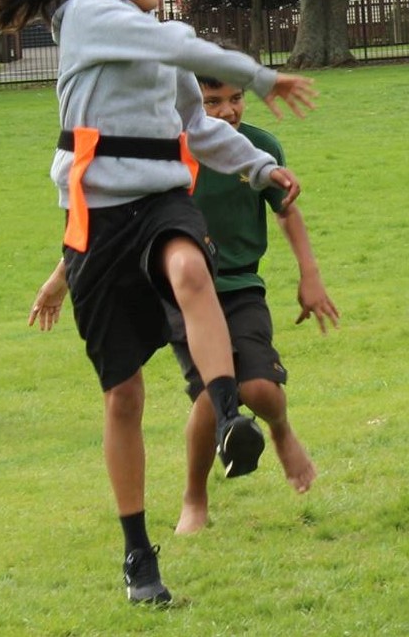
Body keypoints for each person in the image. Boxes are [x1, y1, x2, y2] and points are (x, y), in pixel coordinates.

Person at [0, 0, 317, 606]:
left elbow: (197, 129)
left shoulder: (152, 39)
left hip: (161, 197)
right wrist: (260, 75)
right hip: (96, 215)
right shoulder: (87, 13)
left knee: (192, 267)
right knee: (123, 393)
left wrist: (257, 168)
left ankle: (228, 415)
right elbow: (187, 49)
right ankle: (137, 553)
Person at [31, 70, 340, 536]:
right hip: (181, 294)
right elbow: (103, 227)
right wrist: (60, 280)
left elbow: (286, 209)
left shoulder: (258, 149)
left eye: (236, 99)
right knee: (214, 397)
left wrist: (310, 276)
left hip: (240, 287)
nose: (227, 112)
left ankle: (280, 430)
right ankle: (195, 497)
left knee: (259, 391)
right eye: (212, 102)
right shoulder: (161, 157)